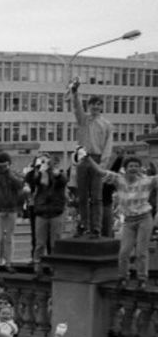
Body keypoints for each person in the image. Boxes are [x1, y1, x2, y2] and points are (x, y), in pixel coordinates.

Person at [97, 156, 158, 288]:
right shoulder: (119, 180)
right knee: (124, 252)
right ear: (126, 168)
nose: (134, 168)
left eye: (136, 166)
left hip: (144, 218)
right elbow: (101, 172)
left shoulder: (147, 181)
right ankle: (123, 277)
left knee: (141, 251)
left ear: (140, 168)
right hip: (129, 221)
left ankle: (142, 279)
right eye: (131, 166)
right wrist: (86, 159)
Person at [67, 80, 113, 237]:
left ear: (101, 107)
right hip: (82, 159)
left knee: (96, 197)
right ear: (89, 106)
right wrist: (75, 92)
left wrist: (103, 165)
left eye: (98, 104)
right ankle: (83, 225)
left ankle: (96, 227)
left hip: (97, 159)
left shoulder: (106, 125)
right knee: (82, 196)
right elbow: (76, 107)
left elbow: (108, 146)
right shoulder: (83, 119)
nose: (95, 107)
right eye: (92, 104)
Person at [24, 153, 68, 278]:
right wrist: (38, 169)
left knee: (55, 243)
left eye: (48, 162)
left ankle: (55, 267)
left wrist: (55, 173)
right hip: (41, 211)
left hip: (55, 211)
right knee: (40, 243)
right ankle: (38, 267)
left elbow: (63, 181)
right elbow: (33, 182)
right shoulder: (37, 174)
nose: (46, 165)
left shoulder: (58, 174)